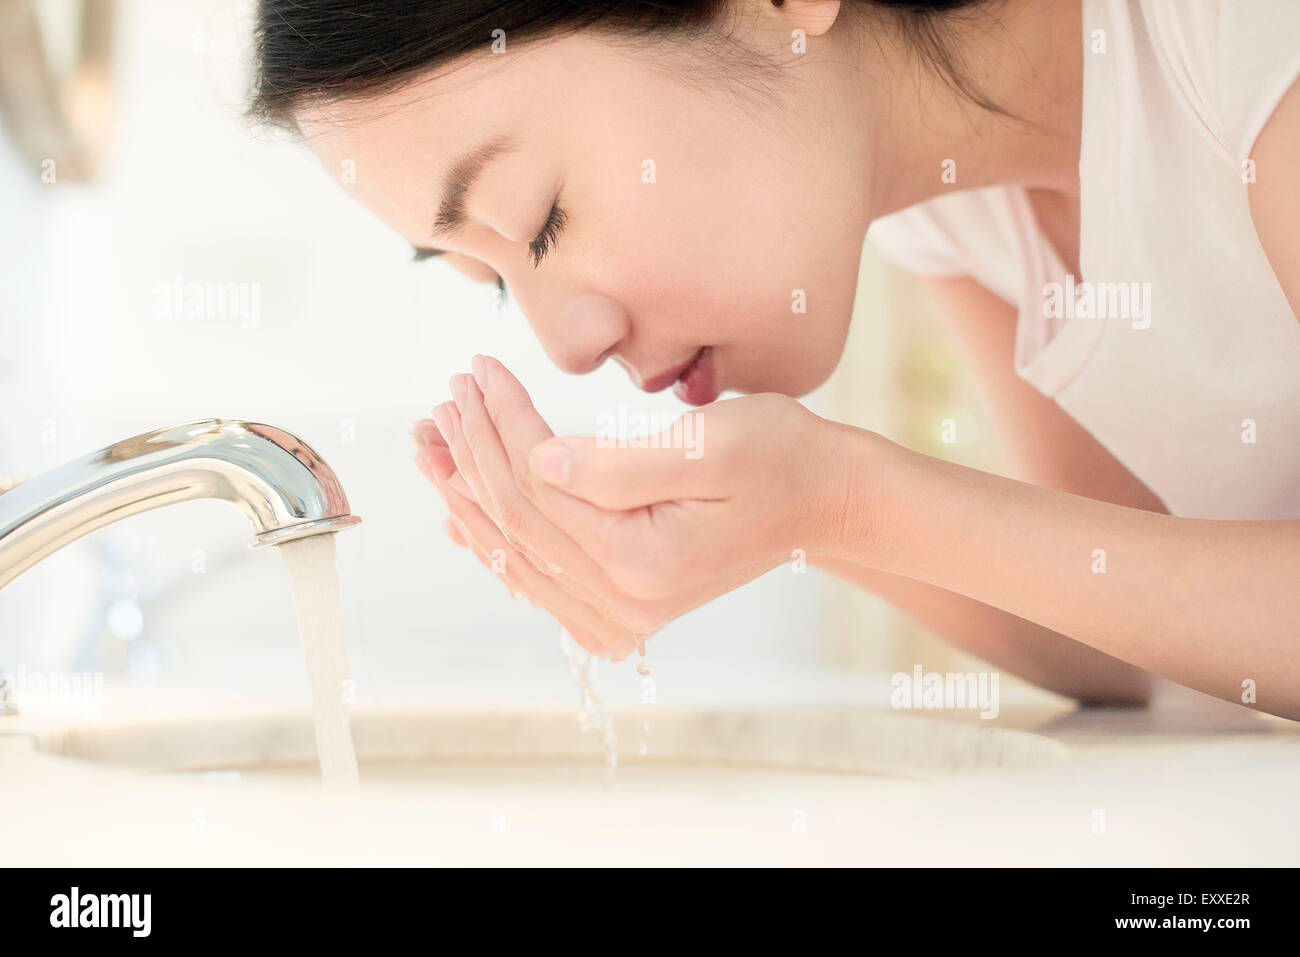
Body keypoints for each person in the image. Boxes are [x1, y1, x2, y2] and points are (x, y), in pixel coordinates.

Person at [247, 0, 1300, 720]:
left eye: (544, 219)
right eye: (484, 276)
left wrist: (848, 501)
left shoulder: (1236, 36)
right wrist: (779, 520)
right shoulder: (945, 204)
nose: (567, 349)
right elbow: (1128, 626)